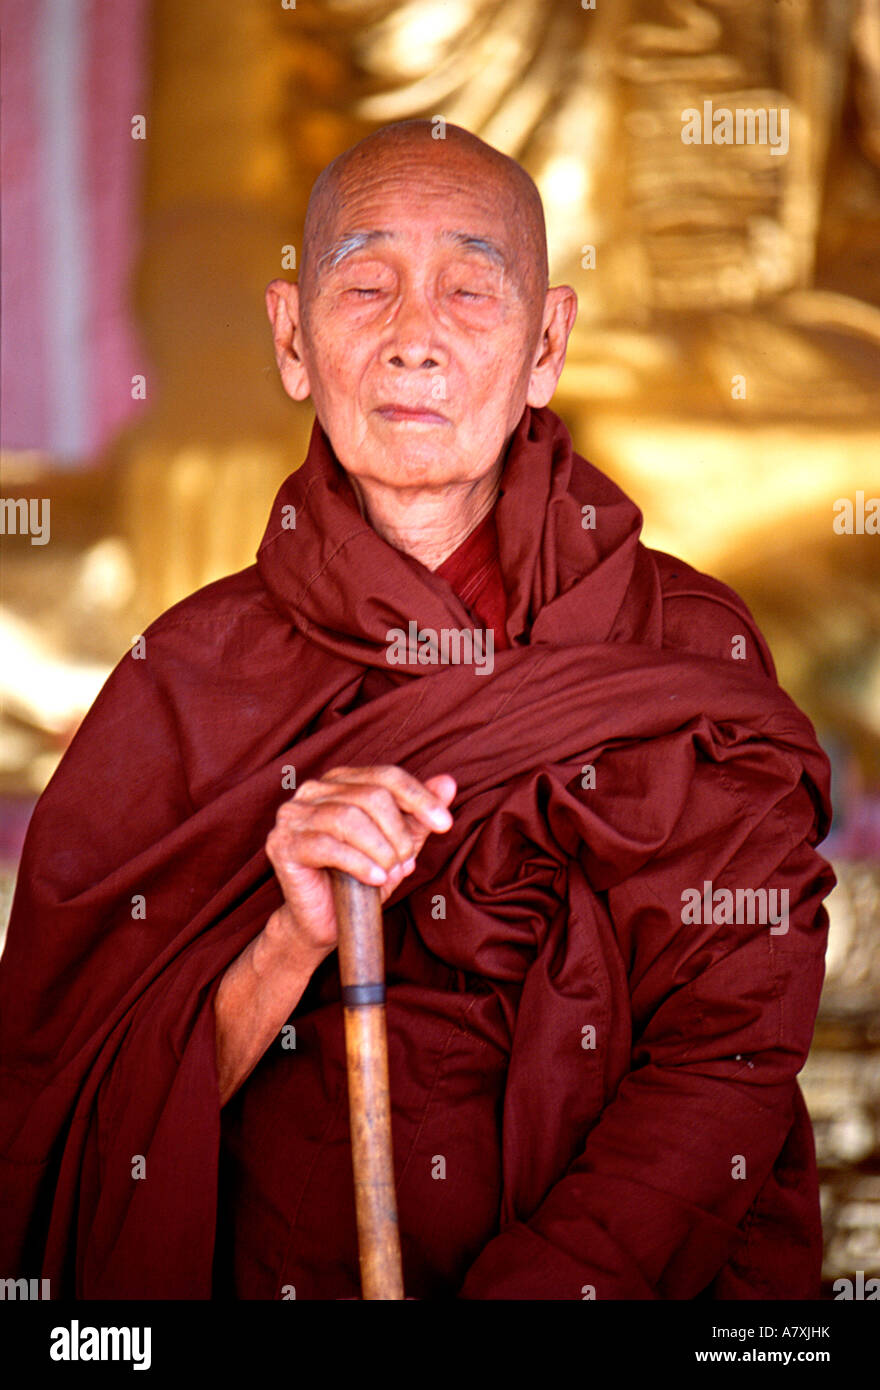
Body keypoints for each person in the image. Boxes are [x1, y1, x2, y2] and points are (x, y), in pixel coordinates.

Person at [0, 120, 834, 1300]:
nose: (413, 343)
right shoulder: (191, 676)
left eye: (469, 291)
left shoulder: (682, 649)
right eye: (369, 285)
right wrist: (289, 933)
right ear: (291, 337)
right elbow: (80, 1118)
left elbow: (730, 1054)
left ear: (548, 344)